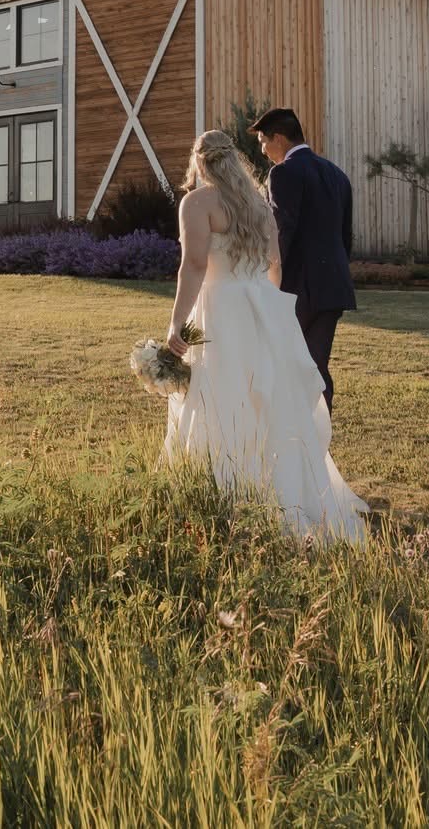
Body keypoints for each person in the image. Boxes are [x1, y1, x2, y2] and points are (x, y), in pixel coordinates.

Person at [161, 130, 367, 542]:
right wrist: (268, 309)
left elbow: (194, 267)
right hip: (261, 307)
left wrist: (175, 323)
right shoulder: (258, 204)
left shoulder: (197, 203)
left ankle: (224, 492)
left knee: (221, 396)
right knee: (268, 401)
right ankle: (284, 490)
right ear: (234, 160)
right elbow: (274, 264)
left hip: (220, 309)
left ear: (199, 163)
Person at [250, 107, 354, 418]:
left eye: (263, 142)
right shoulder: (337, 174)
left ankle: (298, 434)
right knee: (317, 365)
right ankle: (321, 434)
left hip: (297, 287)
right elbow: (345, 236)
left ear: (278, 138)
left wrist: (269, 283)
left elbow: (281, 231)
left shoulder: (283, 172)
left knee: (286, 362)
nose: (263, 151)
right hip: (333, 285)